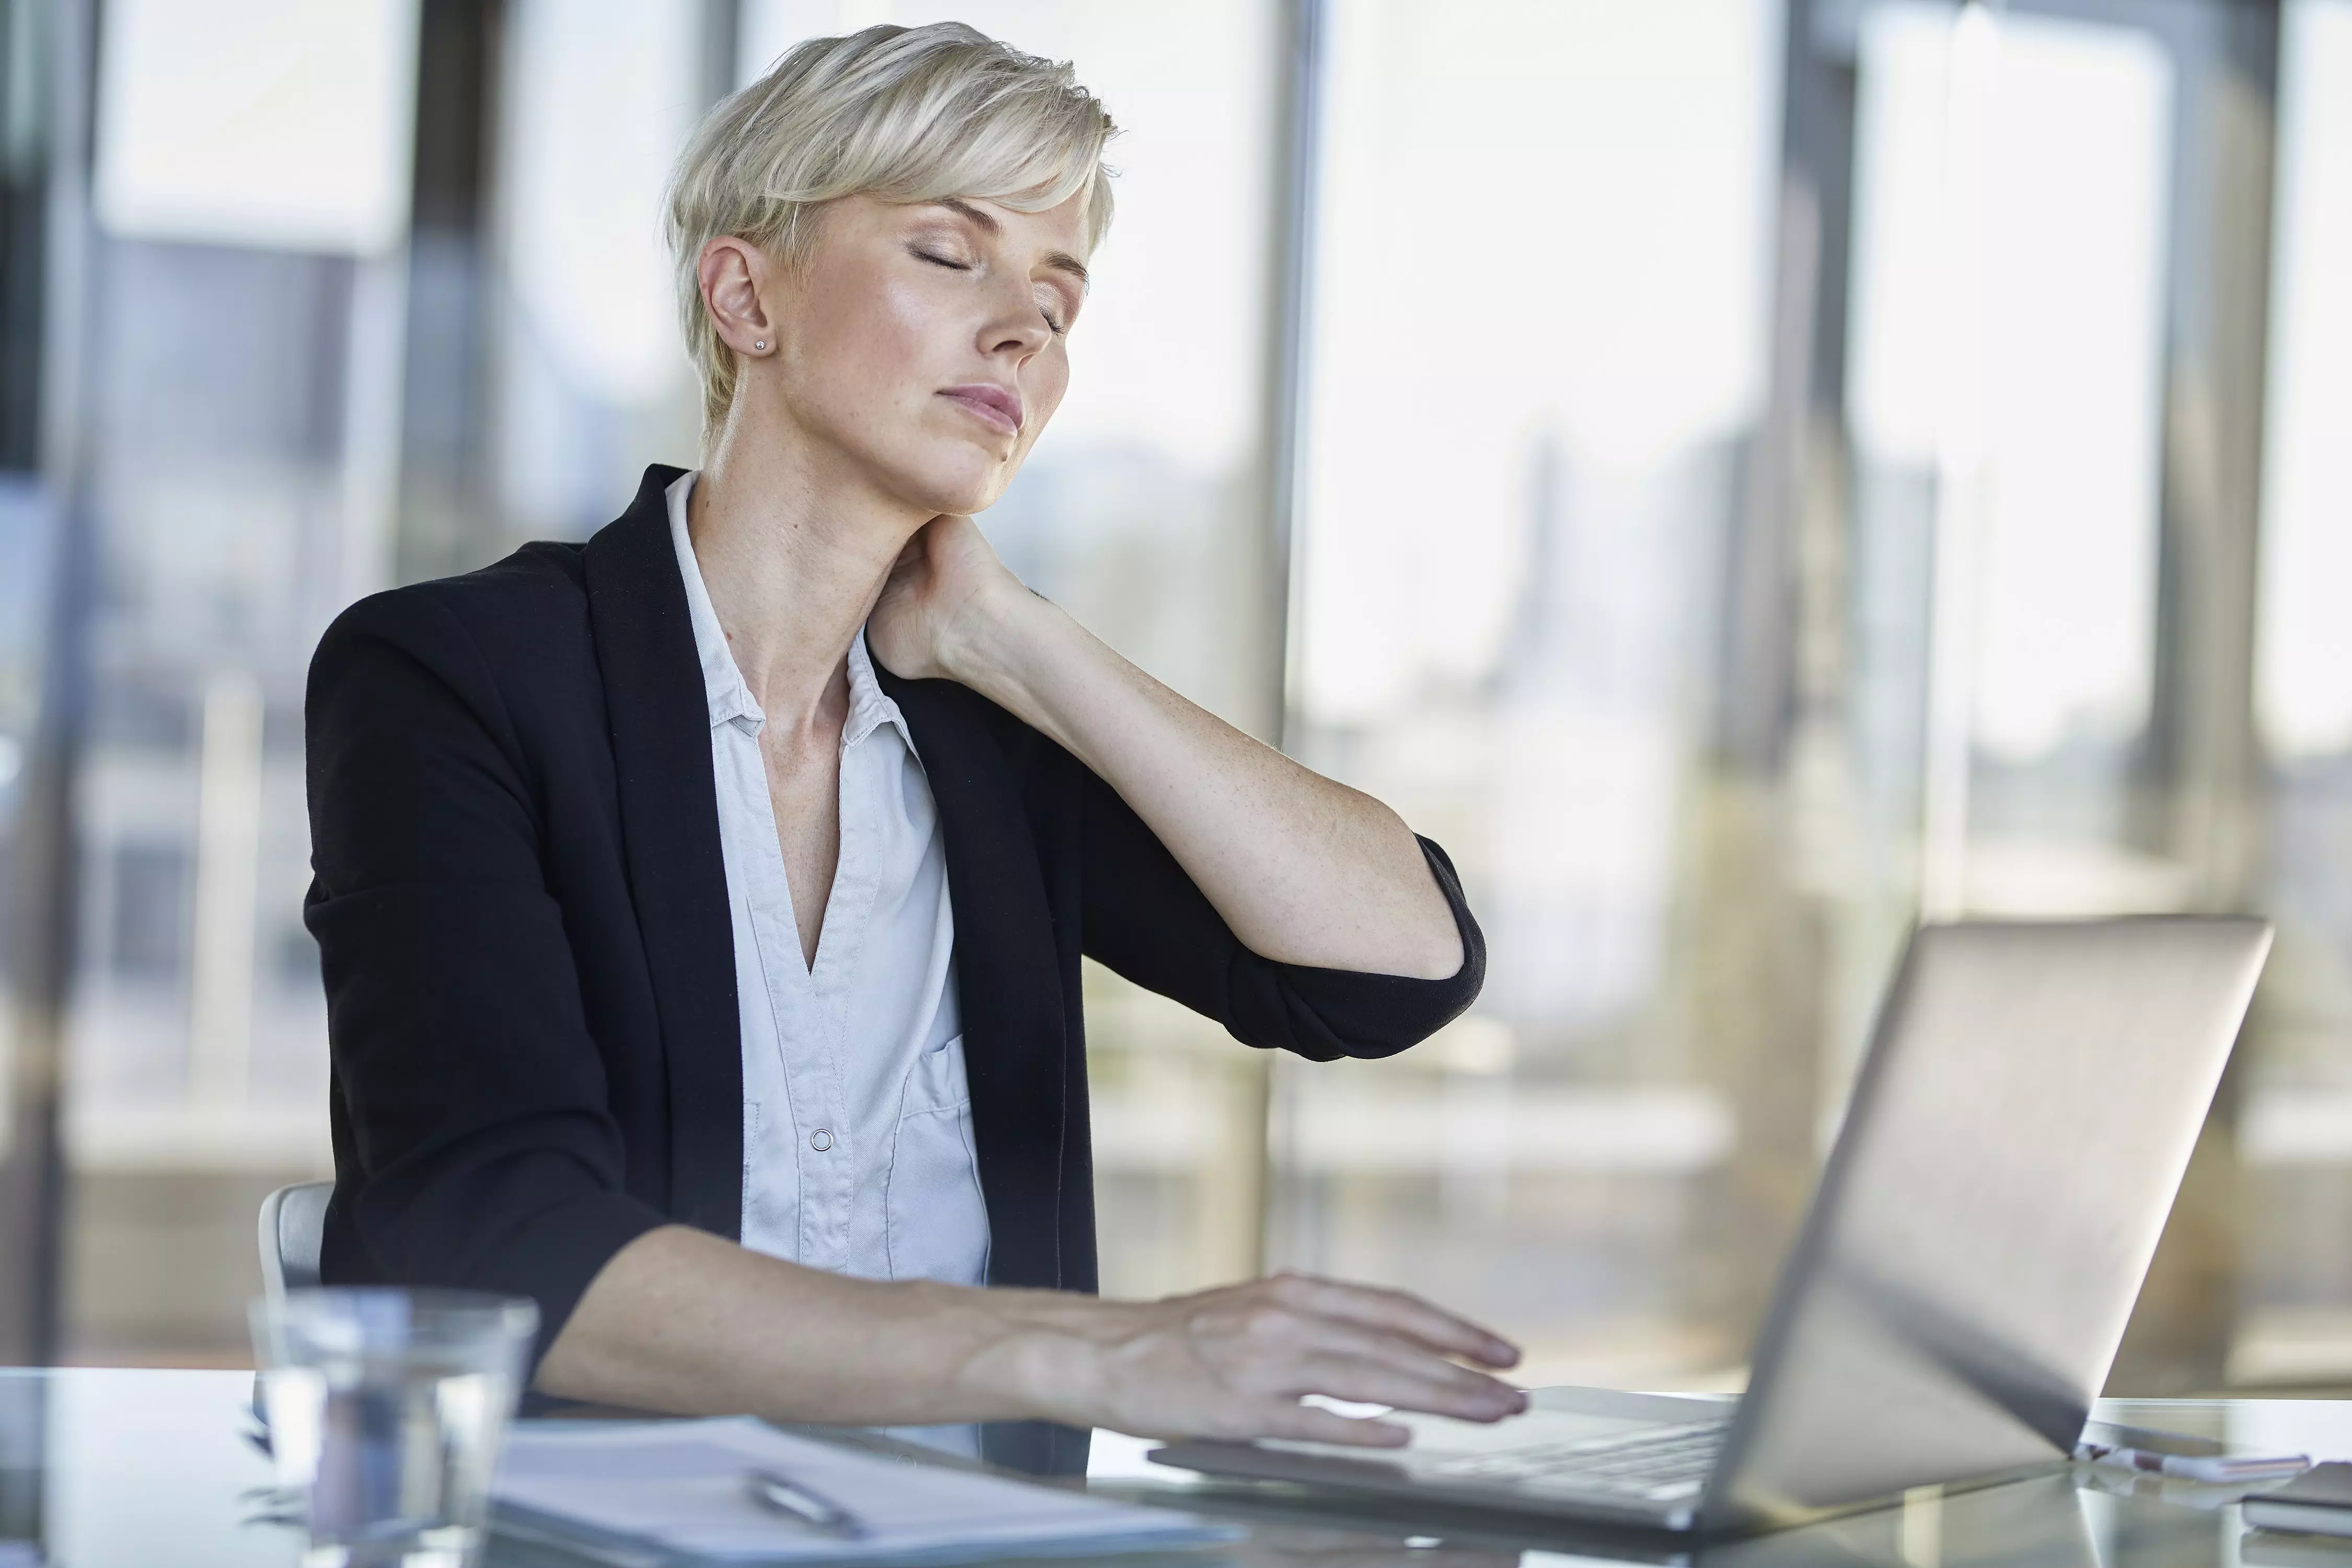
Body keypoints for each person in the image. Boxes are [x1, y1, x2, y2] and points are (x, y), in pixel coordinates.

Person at [304, 21, 1523, 1474]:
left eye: (1061, 298)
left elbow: (1396, 972)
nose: (1026, 328)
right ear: (746, 295)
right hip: (608, 1530)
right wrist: (1096, 1352)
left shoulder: (990, 731)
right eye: (950, 254)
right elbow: (501, 1241)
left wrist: (1018, 638)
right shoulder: (457, 675)